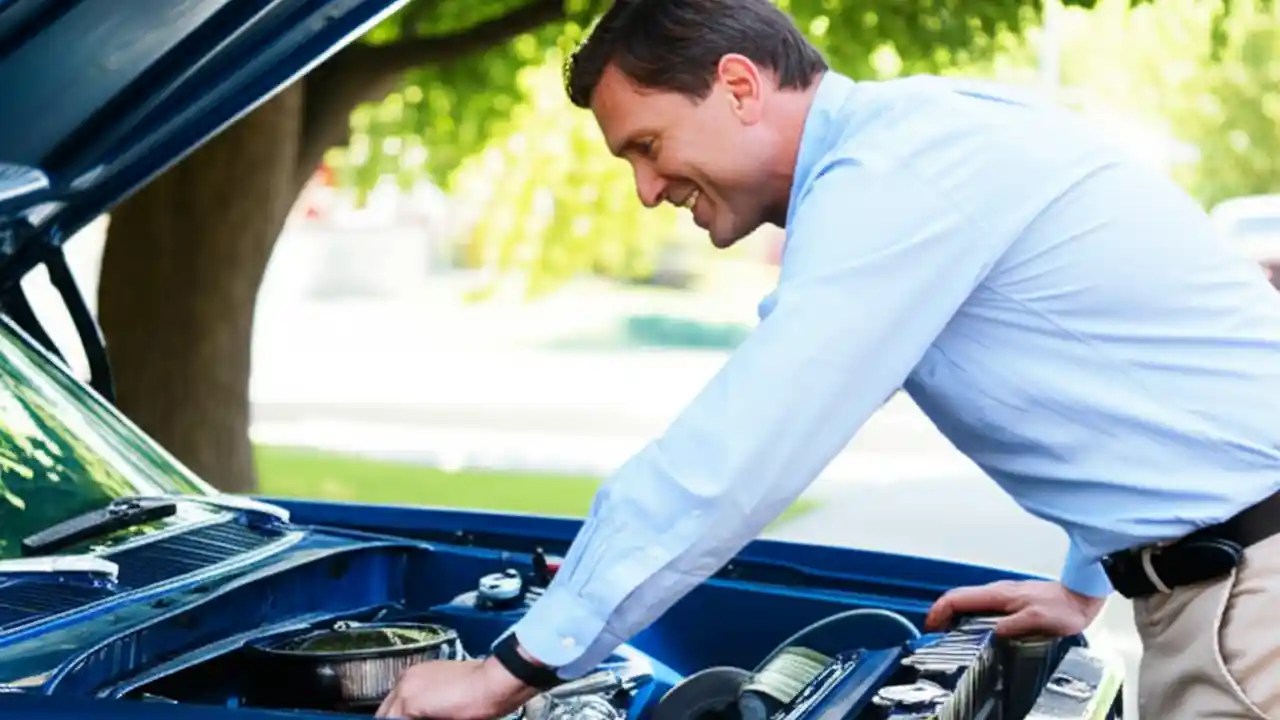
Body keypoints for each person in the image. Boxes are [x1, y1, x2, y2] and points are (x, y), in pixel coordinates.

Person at [375, 1, 1280, 718]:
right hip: (1231, 589)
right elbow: (1110, 386)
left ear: (738, 86)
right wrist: (1087, 585)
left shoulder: (893, 177)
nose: (647, 190)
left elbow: (741, 450)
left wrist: (514, 667)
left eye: (647, 148)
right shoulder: (920, 141)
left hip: (1257, 608)